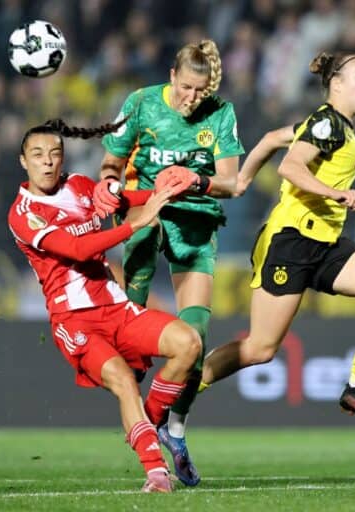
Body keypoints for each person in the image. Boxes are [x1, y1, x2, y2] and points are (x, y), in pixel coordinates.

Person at [200, 51, 355, 427]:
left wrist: (242, 182)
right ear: (337, 83)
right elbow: (290, 166)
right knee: (260, 349)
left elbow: (269, 140)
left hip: (325, 242)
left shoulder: (329, 125)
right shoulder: (327, 123)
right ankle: (183, 384)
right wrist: (334, 193)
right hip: (291, 241)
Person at [7, 119, 202, 493]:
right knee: (123, 380)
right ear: (23, 161)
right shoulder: (23, 213)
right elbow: (78, 249)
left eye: (54, 154)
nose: (47, 162)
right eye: (37, 155)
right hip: (75, 321)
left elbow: (122, 200)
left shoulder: (80, 185)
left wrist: (164, 191)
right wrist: (136, 224)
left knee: (188, 343)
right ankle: (157, 473)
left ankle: (153, 421)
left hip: (116, 306)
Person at [94, 39, 244, 485]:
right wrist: (107, 185)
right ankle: (145, 427)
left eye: (200, 91)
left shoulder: (221, 112)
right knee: (130, 335)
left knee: (195, 334)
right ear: (172, 75)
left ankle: (173, 426)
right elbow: (111, 162)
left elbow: (232, 181)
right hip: (145, 216)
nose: (191, 99)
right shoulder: (141, 102)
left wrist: (197, 178)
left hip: (195, 223)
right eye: (185, 88)